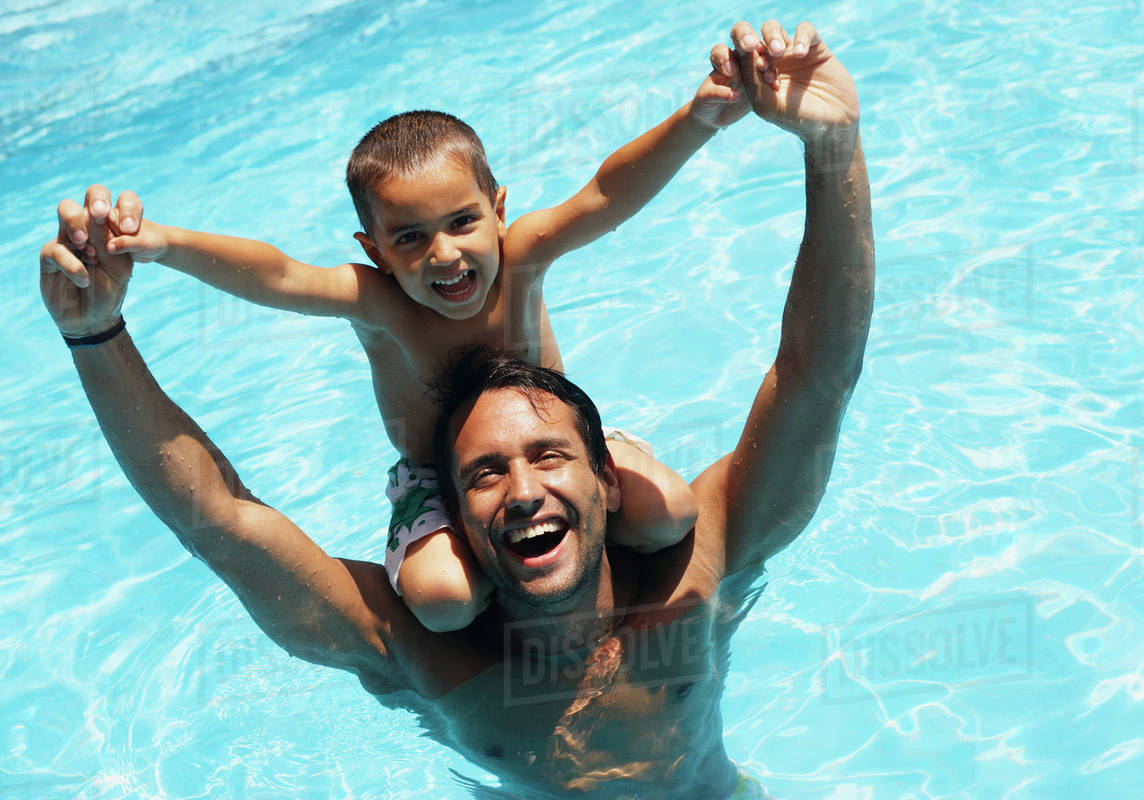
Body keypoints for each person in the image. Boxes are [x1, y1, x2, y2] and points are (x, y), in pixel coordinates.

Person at [41, 19, 873, 799]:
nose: (523, 492)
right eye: (483, 474)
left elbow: (816, 375)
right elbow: (220, 520)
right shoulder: (425, 655)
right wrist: (96, 330)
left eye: (549, 455)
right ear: (454, 509)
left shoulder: (697, 568)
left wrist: (829, 143)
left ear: (607, 476)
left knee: (673, 506)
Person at [54, 62, 751, 634]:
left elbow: (605, 193)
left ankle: (568, 558)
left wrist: (697, 121)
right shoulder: (378, 303)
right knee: (444, 601)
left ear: (498, 211)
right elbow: (279, 274)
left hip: (551, 457)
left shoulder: (524, 256)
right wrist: (165, 245)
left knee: (669, 513)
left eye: (462, 222)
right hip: (435, 479)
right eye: (410, 238)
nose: (443, 255)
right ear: (375, 250)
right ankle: (499, 578)